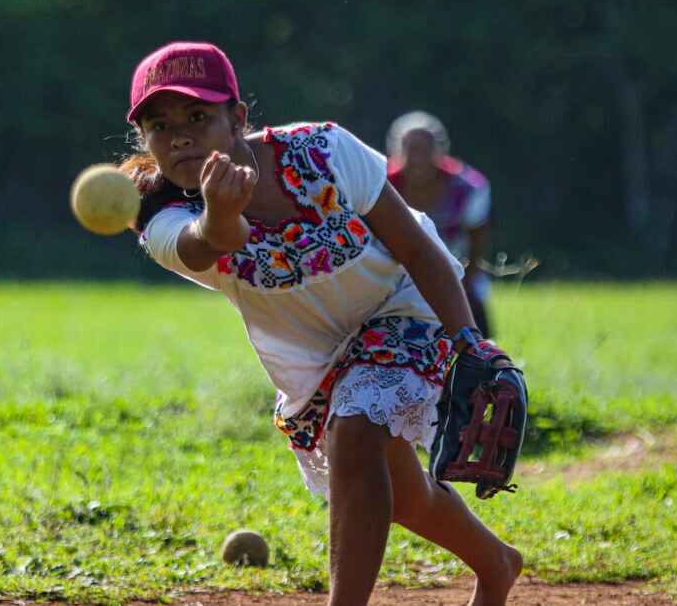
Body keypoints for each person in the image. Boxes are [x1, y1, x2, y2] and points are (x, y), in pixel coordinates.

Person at [117, 41, 522, 606]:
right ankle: (497, 562)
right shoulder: (160, 214)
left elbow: (416, 247)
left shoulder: (322, 149)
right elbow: (211, 242)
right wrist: (222, 210)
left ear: (238, 118)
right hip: (318, 357)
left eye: (198, 116)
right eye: (160, 125)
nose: (180, 135)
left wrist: (469, 342)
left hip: (404, 308)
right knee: (403, 497)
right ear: (145, 140)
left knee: (355, 428)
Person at [385, 112, 494, 338]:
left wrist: (466, 285)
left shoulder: (468, 188)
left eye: (425, 149)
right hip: (397, 275)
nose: (418, 158)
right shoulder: (382, 185)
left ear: (440, 149)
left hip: (457, 271)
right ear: (397, 151)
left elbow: (478, 236)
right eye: (411, 149)